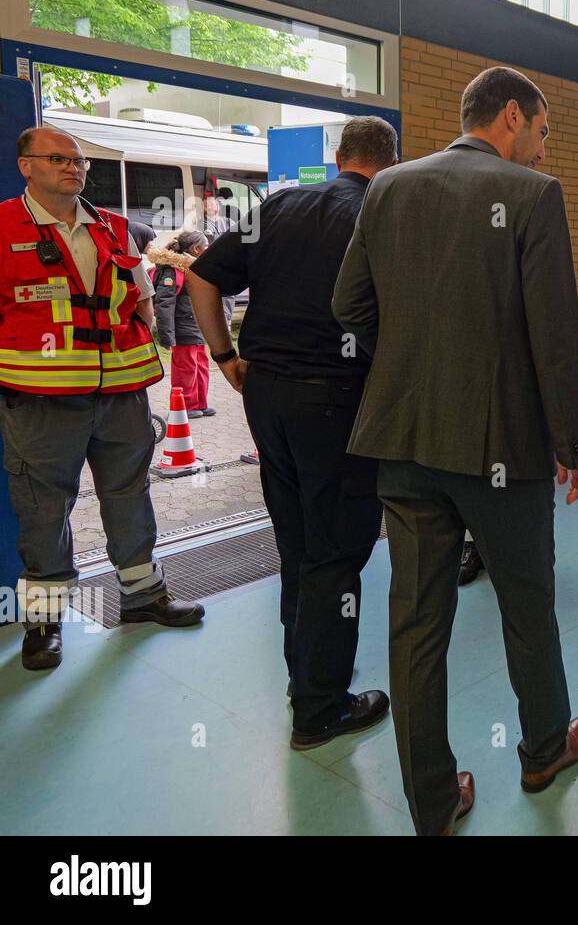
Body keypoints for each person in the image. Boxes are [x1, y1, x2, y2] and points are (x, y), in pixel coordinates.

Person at [333, 66, 578, 836]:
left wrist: (413, 361)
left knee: (415, 624)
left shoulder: (388, 187)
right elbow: (554, 337)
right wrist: (575, 445)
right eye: (543, 134)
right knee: (526, 605)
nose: (544, 153)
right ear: (511, 116)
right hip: (502, 448)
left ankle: (434, 803)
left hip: (405, 442)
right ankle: (546, 748)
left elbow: (347, 305)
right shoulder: (533, 197)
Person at [186, 116, 398, 751]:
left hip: (267, 396)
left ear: (338, 157)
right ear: (388, 163)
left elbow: (201, 277)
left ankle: (303, 673)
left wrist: (226, 359)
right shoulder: (383, 214)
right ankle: (321, 708)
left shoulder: (276, 205)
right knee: (337, 551)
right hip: (338, 400)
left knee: (297, 541)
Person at [1, 127, 203, 670]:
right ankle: (44, 621)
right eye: (58, 158)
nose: (73, 167)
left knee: (130, 494)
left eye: (79, 160)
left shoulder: (115, 228)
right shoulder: (1, 226)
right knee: (44, 511)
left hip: (121, 394)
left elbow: (139, 299)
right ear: (26, 165)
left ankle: (143, 595)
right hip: (40, 400)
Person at [149, 230, 215, 418]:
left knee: (201, 366)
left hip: (197, 329)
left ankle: (200, 403)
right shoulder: (174, 269)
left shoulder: (195, 268)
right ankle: (184, 406)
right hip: (183, 329)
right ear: (196, 249)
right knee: (185, 370)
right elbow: (164, 302)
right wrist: (167, 336)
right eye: (206, 246)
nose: (208, 249)